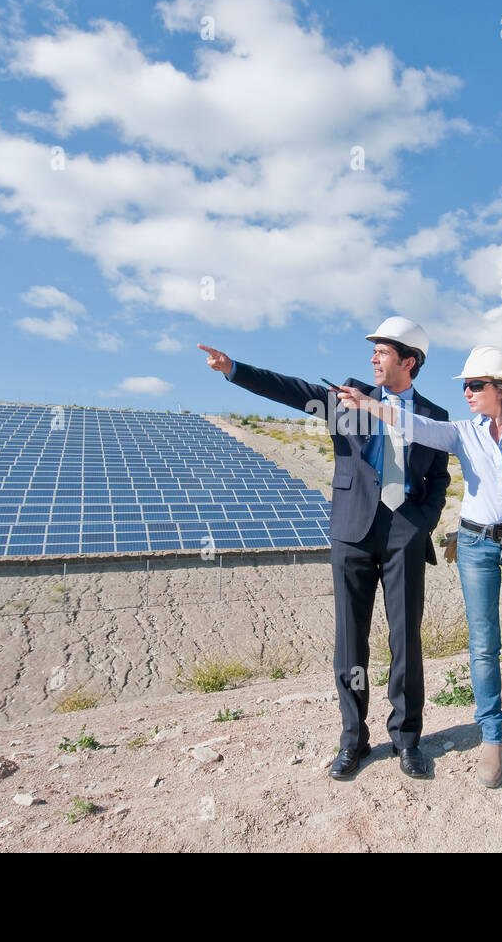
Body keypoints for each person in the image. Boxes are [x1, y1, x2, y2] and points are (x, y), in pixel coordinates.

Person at [335, 345, 502, 788]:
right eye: (465, 385)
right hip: (476, 545)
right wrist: (370, 405)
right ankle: (492, 739)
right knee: (483, 645)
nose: (467, 392)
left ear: (501, 389)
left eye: (476, 385)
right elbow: (415, 424)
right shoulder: (461, 432)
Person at [199, 317, 450, 780]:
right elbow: (291, 390)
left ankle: (407, 740)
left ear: (409, 361)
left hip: (404, 533)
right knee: (350, 642)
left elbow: (439, 480)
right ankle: (353, 741)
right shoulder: (351, 397)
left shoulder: (434, 417)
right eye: (372, 351)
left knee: (405, 641)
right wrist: (235, 369)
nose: (373, 358)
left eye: (382, 351)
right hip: (352, 531)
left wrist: (422, 524)